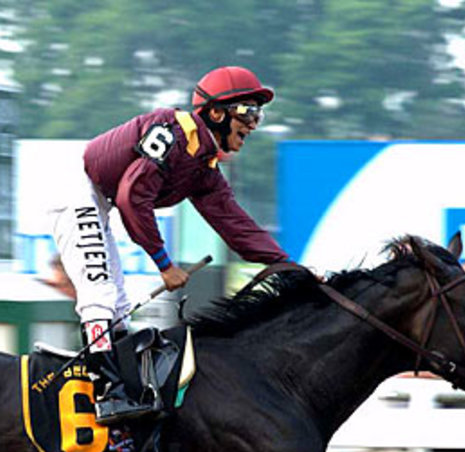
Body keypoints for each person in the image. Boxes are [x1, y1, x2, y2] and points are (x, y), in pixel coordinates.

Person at [49, 65, 292, 424]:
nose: (255, 122)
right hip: (80, 188)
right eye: (248, 111)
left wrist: (287, 265)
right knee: (100, 295)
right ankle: (107, 393)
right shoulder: (171, 133)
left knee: (117, 302)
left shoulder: (204, 169)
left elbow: (236, 225)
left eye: (258, 112)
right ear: (216, 112)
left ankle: (122, 386)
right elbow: (133, 197)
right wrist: (164, 264)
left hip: (101, 197)